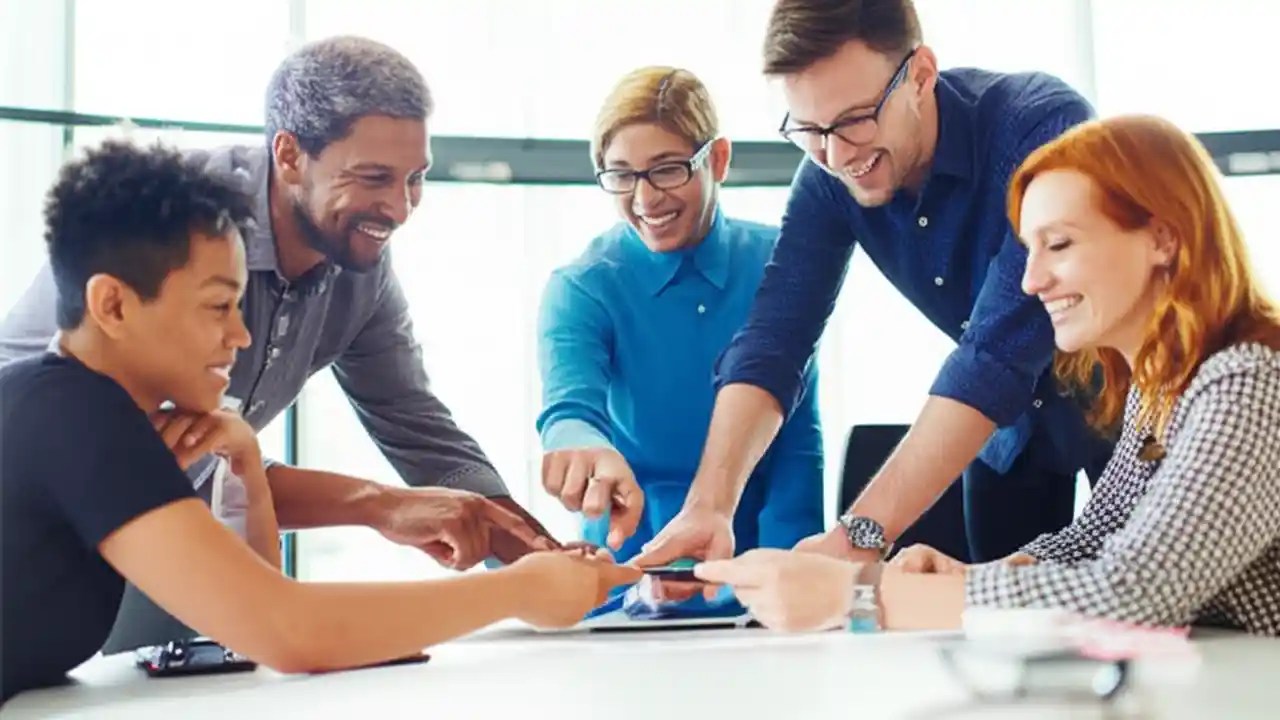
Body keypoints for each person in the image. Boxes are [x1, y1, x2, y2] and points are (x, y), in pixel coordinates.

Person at [0, 140, 641, 704]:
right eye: (219, 305)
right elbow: (288, 632)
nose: (241, 333)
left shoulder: (91, 413)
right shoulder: (74, 413)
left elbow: (247, 616)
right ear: (112, 304)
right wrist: (518, 594)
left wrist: (246, 464)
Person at [692, 114, 1280, 637]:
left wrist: (861, 596)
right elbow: (1090, 541)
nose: (1031, 281)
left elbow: (1132, 592)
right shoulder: (1159, 390)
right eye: (1029, 250)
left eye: (1060, 245)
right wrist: (970, 577)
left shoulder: (1246, 381)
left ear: (1162, 238)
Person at [0, 35, 560, 571]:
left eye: (414, 179)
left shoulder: (355, 262)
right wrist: (377, 504)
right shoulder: (183, 223)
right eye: (373, 177)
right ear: (290, 154)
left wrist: (542, 557)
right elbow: (157, 455)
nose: (400, 207)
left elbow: (414, 421)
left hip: (148, 536)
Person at [633, 0, 1113, 575]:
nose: (836, 155)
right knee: (999, 630)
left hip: (1127, 411)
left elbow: (995, 351)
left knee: (1167, 619)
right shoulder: (827, 177)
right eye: (808, 130)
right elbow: (774, 341)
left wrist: (858, 534)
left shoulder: (1039, 125)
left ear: (921, 75)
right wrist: (710, 506)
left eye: (856, 119)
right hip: (1008, 439)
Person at [535, 67, 824, 608]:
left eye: (666, 170)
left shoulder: (779, 264)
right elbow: (569, 410)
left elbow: (796, 440)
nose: (645, 198)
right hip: (630, 572)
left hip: (755, 563)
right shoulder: (582, 287)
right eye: (620, 175)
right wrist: (580, 447)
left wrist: (792, 572)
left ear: (717, 160)